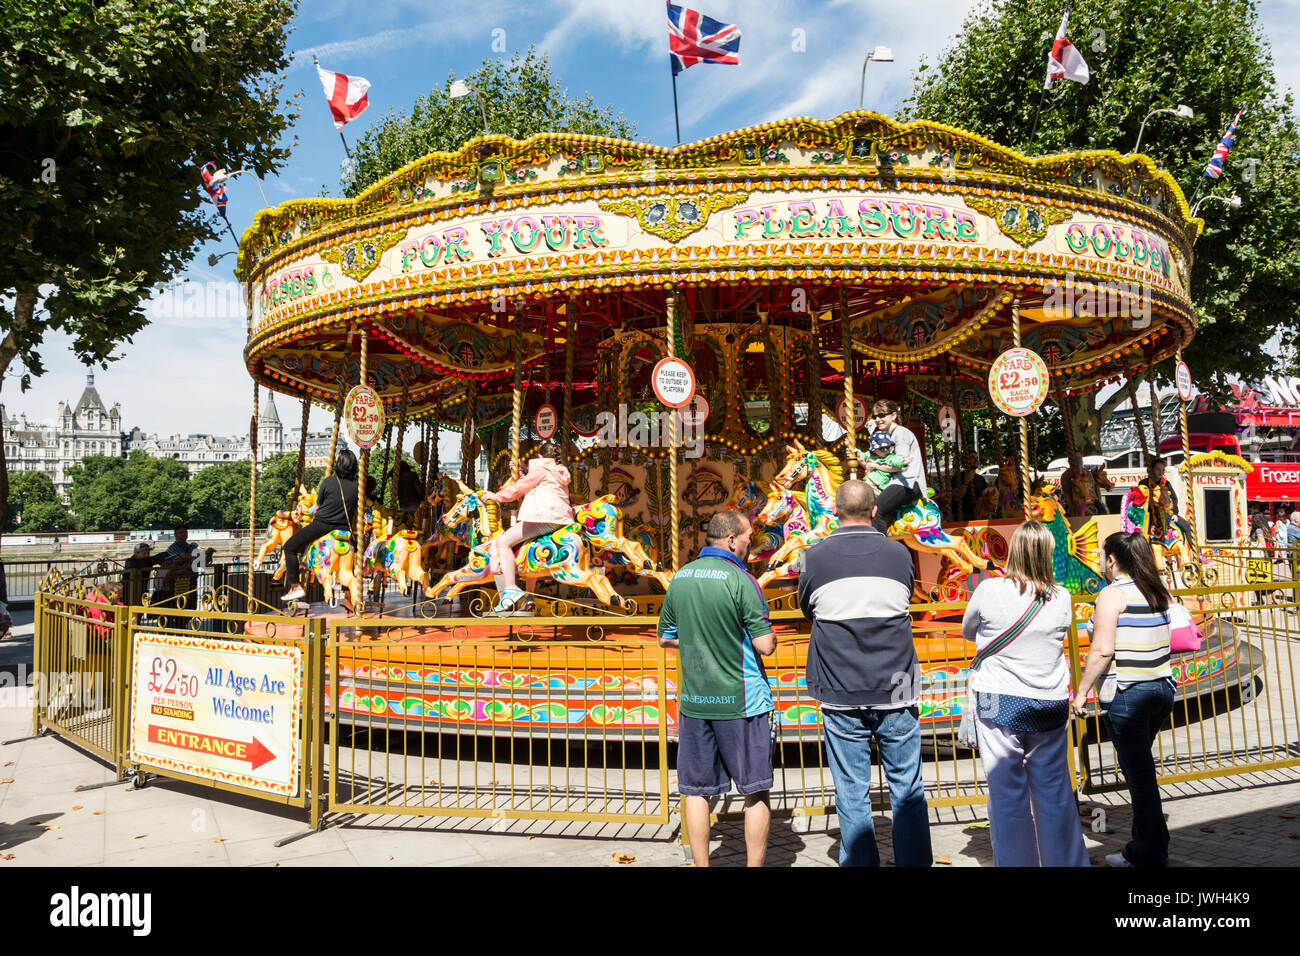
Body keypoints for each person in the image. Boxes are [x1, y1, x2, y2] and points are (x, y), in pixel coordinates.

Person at [798, 479, 932, 867]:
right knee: (908, 788)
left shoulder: (814, 557)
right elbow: (905, 596)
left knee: (851, 790)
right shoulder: (898, 554)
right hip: (897, 689)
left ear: (833, 513)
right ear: (875, 511)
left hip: (841, 691)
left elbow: (810, 609)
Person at [961, 522, 1089, 867]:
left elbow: (968, 630)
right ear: (1048, 554)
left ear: (1013, 551)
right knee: (1054, 792)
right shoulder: (1061, 597)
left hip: (996, 697)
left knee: (1007, 795)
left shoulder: (989, 590)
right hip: (1049, 699)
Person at [657, 510, 775, 867]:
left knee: (695, 791)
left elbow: (666, 637)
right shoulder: (742, 580)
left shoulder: (681, 577)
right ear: (732, 541)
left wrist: (698, 643)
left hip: (695, 700)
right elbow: (765, 644)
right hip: (742, 701)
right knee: (755, 790)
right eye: (749, 538)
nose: (751, 544)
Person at [1071, 532, 1175, 867]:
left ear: (1112, 560)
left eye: (1104, 557)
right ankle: (1147, 844)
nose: (1102, 563)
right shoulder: (1158, 590)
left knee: (1140, 776)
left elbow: (1102, 649)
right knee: (1139, 772)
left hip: (1129, 693)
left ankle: (1147, 852)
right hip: (1161, 689)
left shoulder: (1112, 594)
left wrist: (1082, 691)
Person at [482, 442, 574, 615]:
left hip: (545, 517)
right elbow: (533, 482)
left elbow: (518, 489)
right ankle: (529, 596)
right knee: (528, 547)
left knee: (503, 542)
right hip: (560, 518)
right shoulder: (559, 470)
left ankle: (510, 588)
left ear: (540, 457)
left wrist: (497, 496)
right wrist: (519, 470)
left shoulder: (541, 469)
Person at [280, 449, 360, 603]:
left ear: (339, 465)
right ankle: (354, 599)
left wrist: (305, 511)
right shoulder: (357, 486)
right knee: (348, 573)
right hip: (344, 530)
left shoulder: (329, 481)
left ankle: (295, 585)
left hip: (322, 526)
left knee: (290, 547)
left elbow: (316, 508)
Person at [868, 400, 928, 534]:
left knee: (875, 511)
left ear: (893, 415)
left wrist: (875, 465)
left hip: (908, 483)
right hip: (897, 482)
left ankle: (879, 550)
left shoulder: (900, 433)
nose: (878, 419)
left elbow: (900, 465)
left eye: (882, 415)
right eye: (875, 416)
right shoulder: (887, 436)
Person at [1137, 459, 1194, 544]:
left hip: (1167, 513)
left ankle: (1195, 551)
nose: (1161, 472)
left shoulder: (1166, 483)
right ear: (1152, 470)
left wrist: (1174, 513)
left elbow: (1174, 498)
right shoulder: (1144, 483)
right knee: (1140, 532)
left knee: (1186, 525)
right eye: (1158, 469)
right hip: (1151, 515)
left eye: (1163, 470)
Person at [861, 429, 911, 494]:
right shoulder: (870, 455)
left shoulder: (889, 457)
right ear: (874, 450)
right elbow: (862, 455)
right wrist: (857, 453)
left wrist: (902, 462)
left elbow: (895, 460)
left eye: (888, 448)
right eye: (882, 448)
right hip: (868, 482)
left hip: (878, 484)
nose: (886, 450)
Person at [953, 449, 987, 522]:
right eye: (972, 458)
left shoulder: (981, 479)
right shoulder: (958, 477)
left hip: (977, 517)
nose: (976, 460)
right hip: (962, 517)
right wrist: (966, 481)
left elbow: (985, 497)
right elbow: (958, 496)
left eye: (977, 458)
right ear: (966, 461)